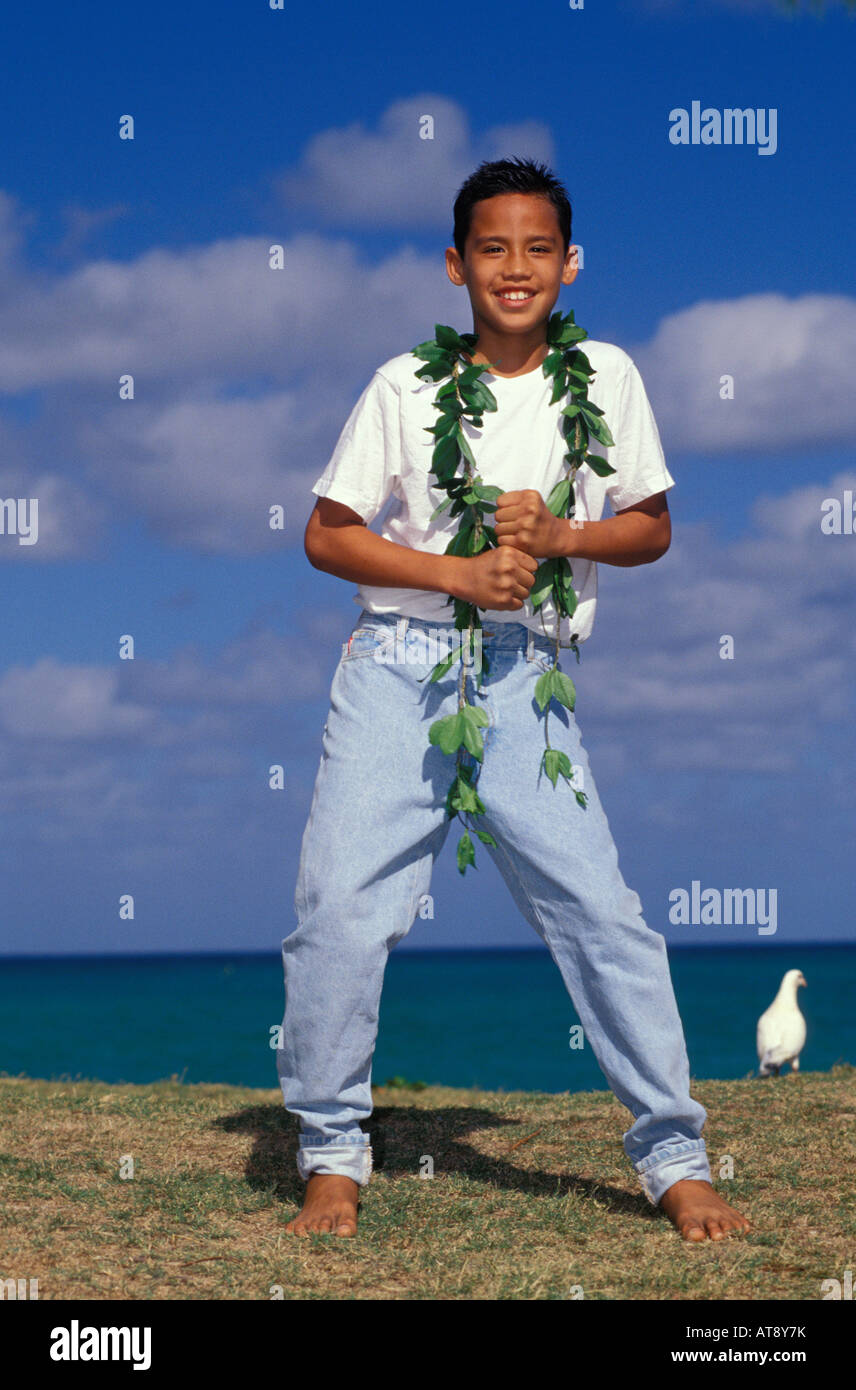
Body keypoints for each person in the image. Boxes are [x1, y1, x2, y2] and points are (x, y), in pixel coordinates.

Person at [276, 156, 751, 1244]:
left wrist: (560, 539)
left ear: (569, 262)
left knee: (602, 915)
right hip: (398, 664)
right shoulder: (402, 385)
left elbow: (651, 528)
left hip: (525, 671)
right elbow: (325, 531)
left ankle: (674, 1157)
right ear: (456, 265)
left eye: (538, 248)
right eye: (492, 248)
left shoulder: (612, 377)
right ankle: (330, 1155)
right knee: (340, 912)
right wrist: (452, 572)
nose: (515, 267)